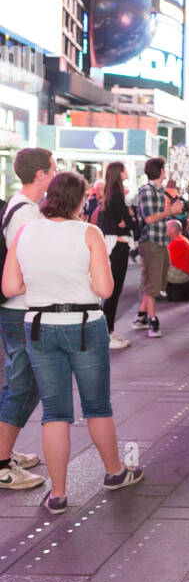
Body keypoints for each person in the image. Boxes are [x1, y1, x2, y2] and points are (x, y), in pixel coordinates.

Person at [2, 171, 142, 515]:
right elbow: (105, 290)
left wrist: (42, 287)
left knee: (55, 413)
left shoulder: (26, 232)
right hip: (83, 325)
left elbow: (9, 287)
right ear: (80, 200)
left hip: (39, 325)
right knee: (96, 405)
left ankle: (59, 494)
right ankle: (114, 472)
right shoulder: (89, 233)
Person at [0, 147, 56, 492]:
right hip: (20, 308)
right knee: (23, 384)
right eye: (52, 169)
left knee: (24, 383)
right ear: (40, 175)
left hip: (17, 308)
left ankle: (5, 452)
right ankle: (2, 463)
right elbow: (28, 266)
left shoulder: (19, 207)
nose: (55, 174)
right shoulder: (27, 215)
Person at [133, 158, 183, 338]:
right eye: (163, 168)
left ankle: (141, 316)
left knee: (157, 280)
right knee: (153, 281)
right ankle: (152, 320)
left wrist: (172, 211)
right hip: (151, 242)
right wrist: (171, 212)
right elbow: (149, 218)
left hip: (160, 241)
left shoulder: (159, 190)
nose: (165, 171)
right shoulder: (147, 190)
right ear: (159, 171)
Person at [100, 161, 135, 350]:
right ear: (119, 173)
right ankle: (107, 331)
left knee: (114, 291)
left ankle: (109, 329)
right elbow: (128, 220)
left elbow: (126, 220)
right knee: (113, 291)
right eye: (125, 170)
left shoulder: (112, 193)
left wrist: (128, 221)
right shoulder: (116, 194)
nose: (127, 172)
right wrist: (130, 222)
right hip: (117, 247)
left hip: (117, 246)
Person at [165, 219, 189, 302]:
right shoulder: (181, 239)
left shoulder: (177, 242)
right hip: (188, 275)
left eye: (166, 228)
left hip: (183, 276)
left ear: (173, 229)